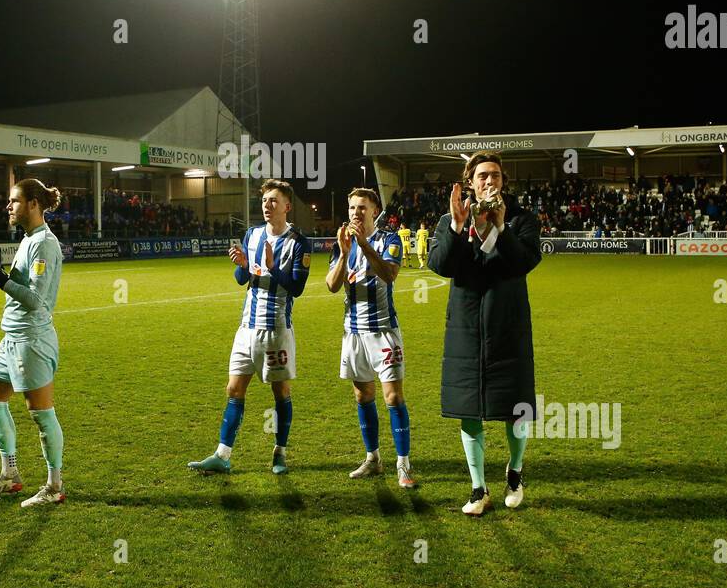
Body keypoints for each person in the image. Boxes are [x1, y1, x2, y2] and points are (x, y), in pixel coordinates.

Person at [427, 152, 542, 516]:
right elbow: (441, 265)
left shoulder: (523, 220)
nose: (488, 181)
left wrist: (503, 228)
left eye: (494, 175)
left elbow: (525, 261)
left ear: (503, 180)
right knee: (469, 409)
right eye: (481, 176)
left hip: (508, 326)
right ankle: (478, 489)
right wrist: (459, 229)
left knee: (516, 408)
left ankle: (515, 473)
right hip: (465, 328)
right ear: (470, 182)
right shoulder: (450, 219)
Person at [189, 180, 311, 475]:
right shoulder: (252, 234)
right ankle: (222, 454)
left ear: (287, 206)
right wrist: (243, 263)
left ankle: (279, 452)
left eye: (273, 201)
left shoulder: (299, 242)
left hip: (276, 329)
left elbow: (296, 287)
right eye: (265, 201)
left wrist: (273, 267)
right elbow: (241, 278)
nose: (267, 206)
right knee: (233, 388)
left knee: (280, 391)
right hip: (246, 327)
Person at [0, 179, 67, 508]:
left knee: (41, 413)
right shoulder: (27, 240)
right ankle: (10, 476)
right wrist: (0, 272)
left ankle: (54, 486)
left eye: (14, 201)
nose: (8, 207)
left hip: (31, 340)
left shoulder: (44, 244)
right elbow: (22, 285)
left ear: (33, 203)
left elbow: (36, 301)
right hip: (12, 336)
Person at [326, 187, 414, 488]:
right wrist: (345, 253)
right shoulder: (342, 244)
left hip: (383, 331)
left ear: (375, 211)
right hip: (353, 333)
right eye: (352, 208)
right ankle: (373, 459)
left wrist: (363, 246)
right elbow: (331, 286)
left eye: (362, 208)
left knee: (393, 397)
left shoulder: (389, 239)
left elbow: (389, 274)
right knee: (363, 396)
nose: (355, 213)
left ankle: (403, 465)